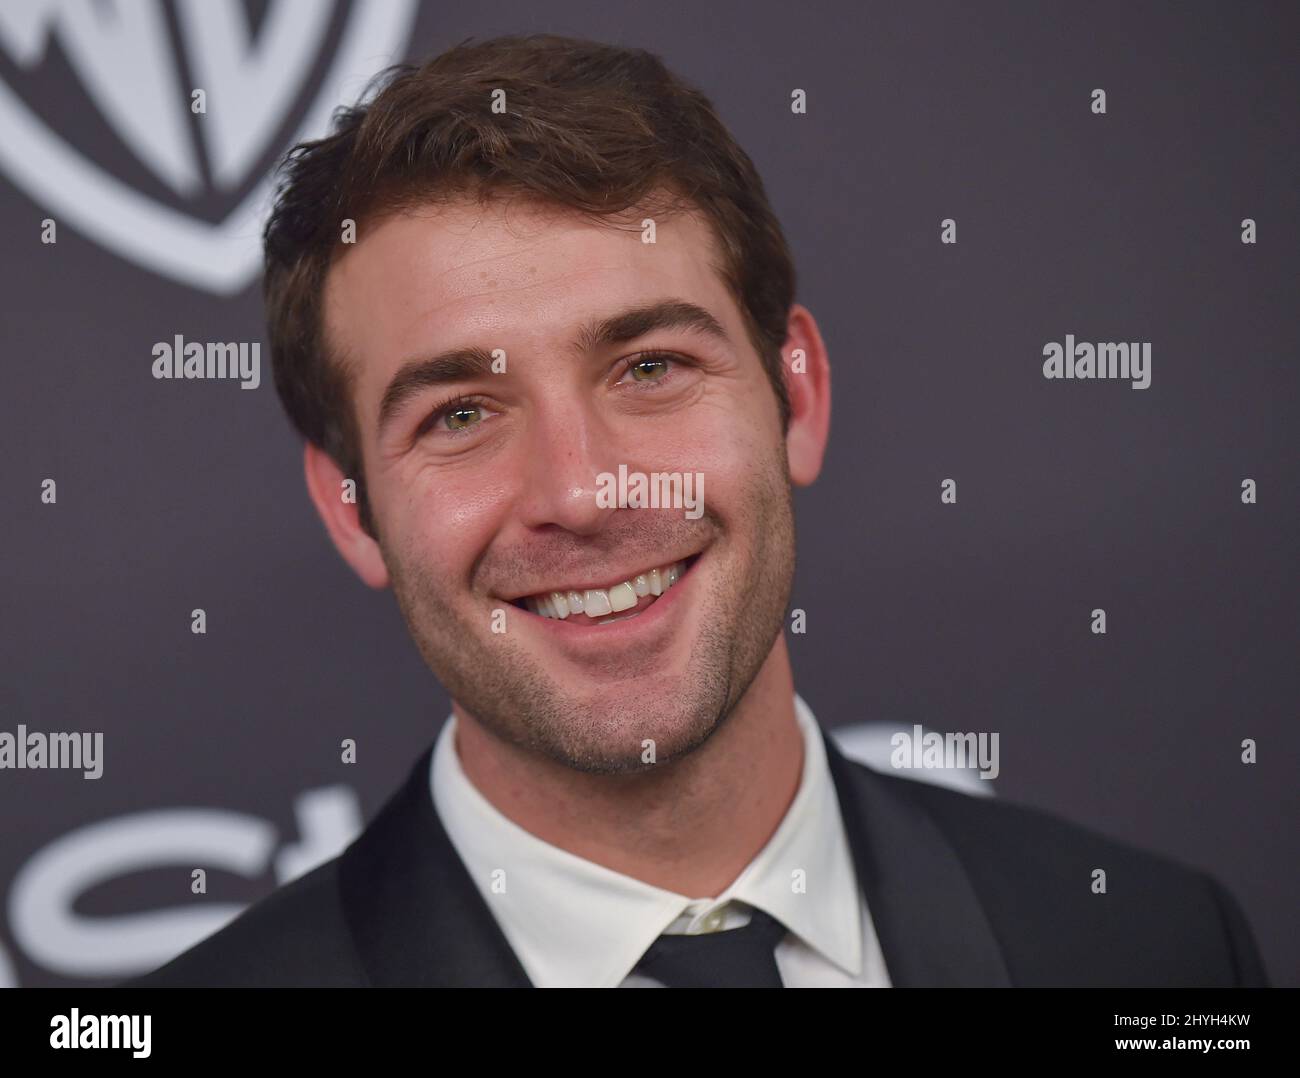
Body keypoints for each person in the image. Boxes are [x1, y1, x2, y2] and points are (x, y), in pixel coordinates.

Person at [122, 34, 1267, 988]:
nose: (580, 490)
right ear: (351, 509)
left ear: (796, 395)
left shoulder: (1154, 948)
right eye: (461, 415)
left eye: (650, 368)